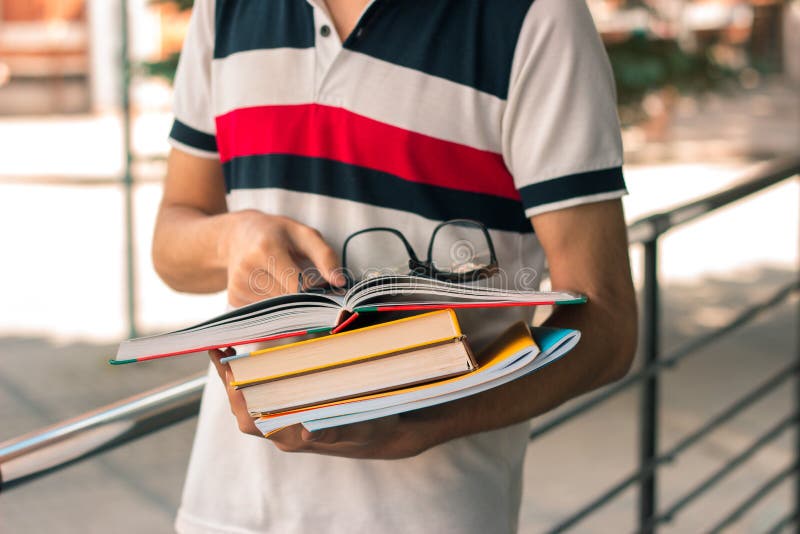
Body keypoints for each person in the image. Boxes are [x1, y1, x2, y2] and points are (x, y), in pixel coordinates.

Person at [152, 0, 638, 532]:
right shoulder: (222, 8)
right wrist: (233, 238)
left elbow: (608, 324)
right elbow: (172, 249)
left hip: (431, 513)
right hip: (227, 509)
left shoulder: (537, 16)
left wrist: (421, 424)